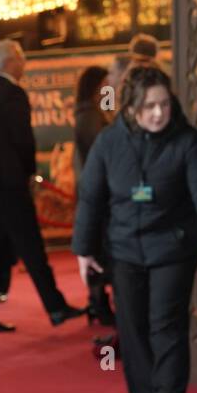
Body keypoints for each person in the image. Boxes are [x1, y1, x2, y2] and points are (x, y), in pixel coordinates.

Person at [73, 64, 197, 393]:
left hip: (173, 248)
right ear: (131, 107)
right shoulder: (109, 142)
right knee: (132, 327)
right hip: (124, 250)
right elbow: (91, 198)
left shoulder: (187, 141)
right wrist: (83, 249)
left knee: (167, 325)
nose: (158, 113)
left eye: (164, 104)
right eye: (149, 106)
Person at [0, 38, 85, 332]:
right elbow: (23, 140)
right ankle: (56, 307)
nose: (25, 63)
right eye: (21, 58)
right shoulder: (12, 93)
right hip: (8, 183)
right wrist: (29, 174)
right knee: (31, 246)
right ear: (11, 62)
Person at [73, 64, 114, 325]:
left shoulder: (94, 113)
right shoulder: (89, 116)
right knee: (97, 248)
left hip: (97, 189)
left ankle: (97, 301)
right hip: (96, 190)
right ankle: (97, 302)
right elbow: (102, 152)